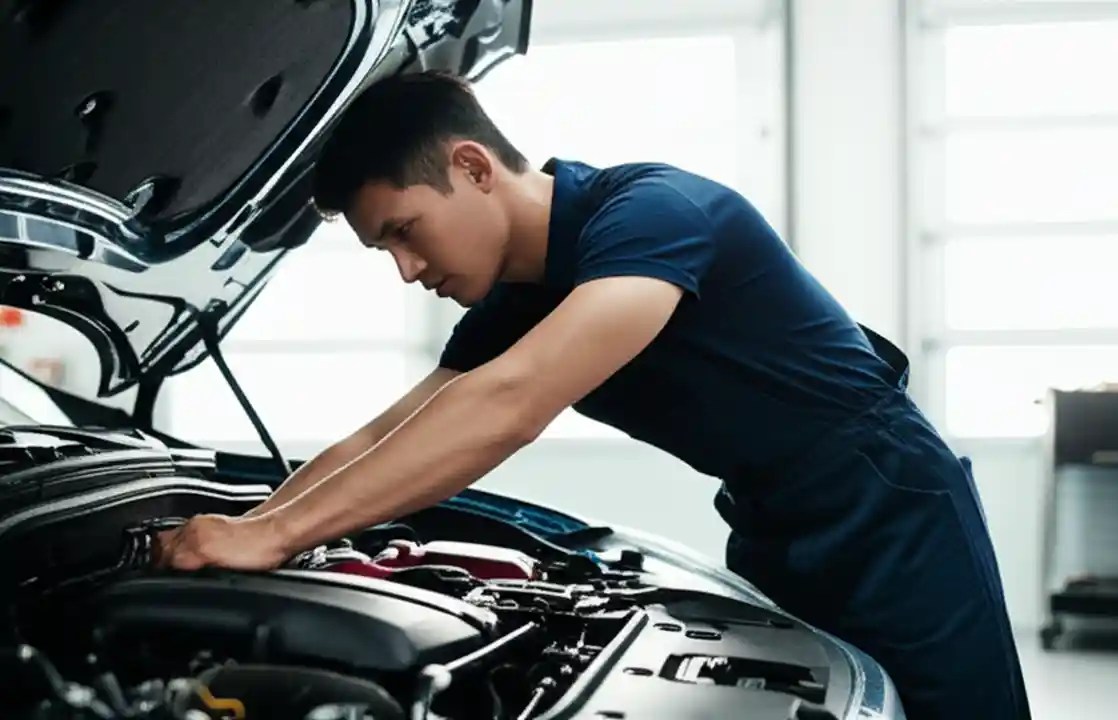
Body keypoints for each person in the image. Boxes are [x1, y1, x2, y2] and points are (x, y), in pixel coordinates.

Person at [154, 70, 1031, 720]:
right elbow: (384, 434)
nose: (408, 270)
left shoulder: (653, 212)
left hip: (886, 497)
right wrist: (238, 533)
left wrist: (274, 536)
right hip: (773, 513)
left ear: (473, 166)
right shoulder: (516, 301)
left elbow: (512, 402)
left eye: (405, 232)